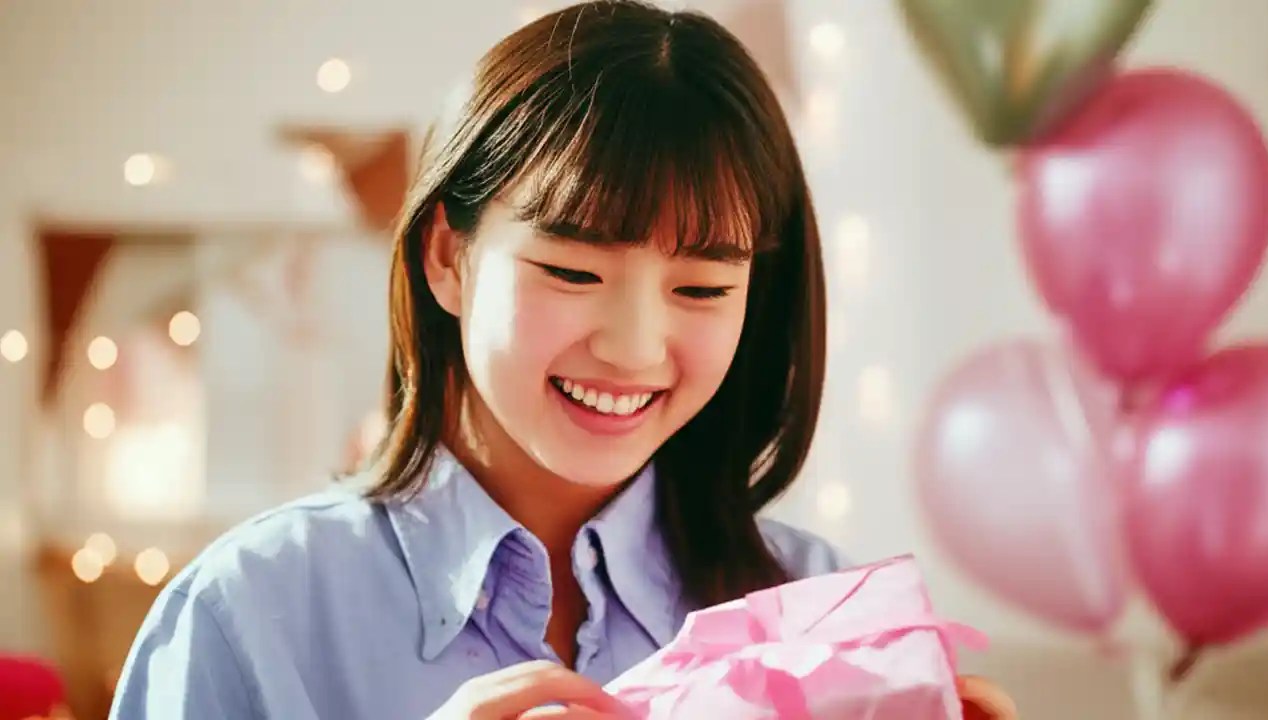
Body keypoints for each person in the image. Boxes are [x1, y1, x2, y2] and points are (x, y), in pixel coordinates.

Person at [110, 2, 1016, 718]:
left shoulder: (822, 613)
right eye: (573, 270)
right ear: (447, 257)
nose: (632, 347)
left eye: (701, 288)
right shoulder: (247, 619)